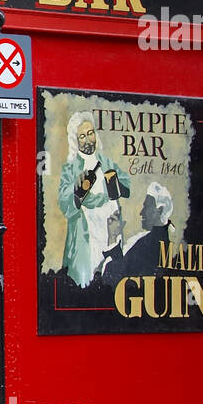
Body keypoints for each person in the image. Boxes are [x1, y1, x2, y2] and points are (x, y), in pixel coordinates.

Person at [57, 111, 131, 288]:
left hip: (110, 226)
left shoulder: (106, 162)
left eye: (90, 133)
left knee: (112, 275)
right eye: (82, 136)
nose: (88, 139)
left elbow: (126, 187)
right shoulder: (71, 169)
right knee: (88, 277)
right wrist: (80, 191)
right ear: (75, 140)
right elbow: (64, 202)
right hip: (87, 231)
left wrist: (115, 185)